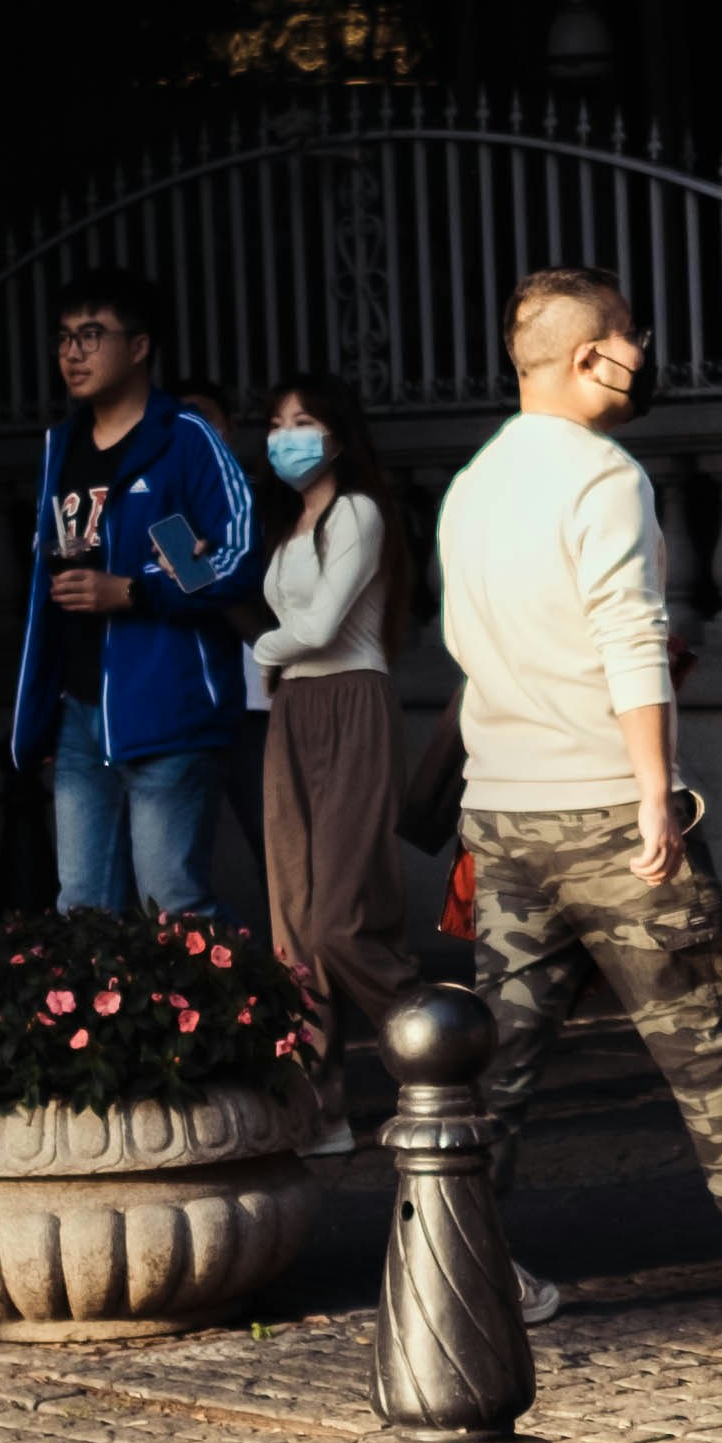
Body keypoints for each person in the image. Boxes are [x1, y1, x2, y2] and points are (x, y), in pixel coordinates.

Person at [433, 267, 722, 1324]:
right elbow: (628, 637)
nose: (641, 350)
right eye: (628, 334)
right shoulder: (601, 476)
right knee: (698, 1036)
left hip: (502, 806)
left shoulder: (472, 483)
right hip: (602, 804)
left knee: (500, 1051)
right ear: (590, 358)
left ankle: (454, 1266)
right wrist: (652, 793)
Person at [4, 265, 263, 916]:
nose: (73, 353)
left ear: (140, 346)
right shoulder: (62, 446)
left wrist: (135, 592)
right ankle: (96, 1023)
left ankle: (224, 1022)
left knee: (171, 904)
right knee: (83, 907)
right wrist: (39, 711)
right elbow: (53, 579)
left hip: (167, 711)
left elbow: (232, 562)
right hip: (79, 711)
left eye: (92, 334)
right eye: (64, 337)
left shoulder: (182, 441)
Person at [239, 366, 420, 1147]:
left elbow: (315, 630)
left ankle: (440, 1053)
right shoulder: (282, 532)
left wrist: (257, 649)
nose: (287, 438)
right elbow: (293, 628)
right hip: (292, 714)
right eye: (276, 424)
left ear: (339, 435)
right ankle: (322, 1107)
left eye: (302, 422)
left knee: (341, 918)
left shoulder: (360, 513)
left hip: (351, 702)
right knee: (293, 928)